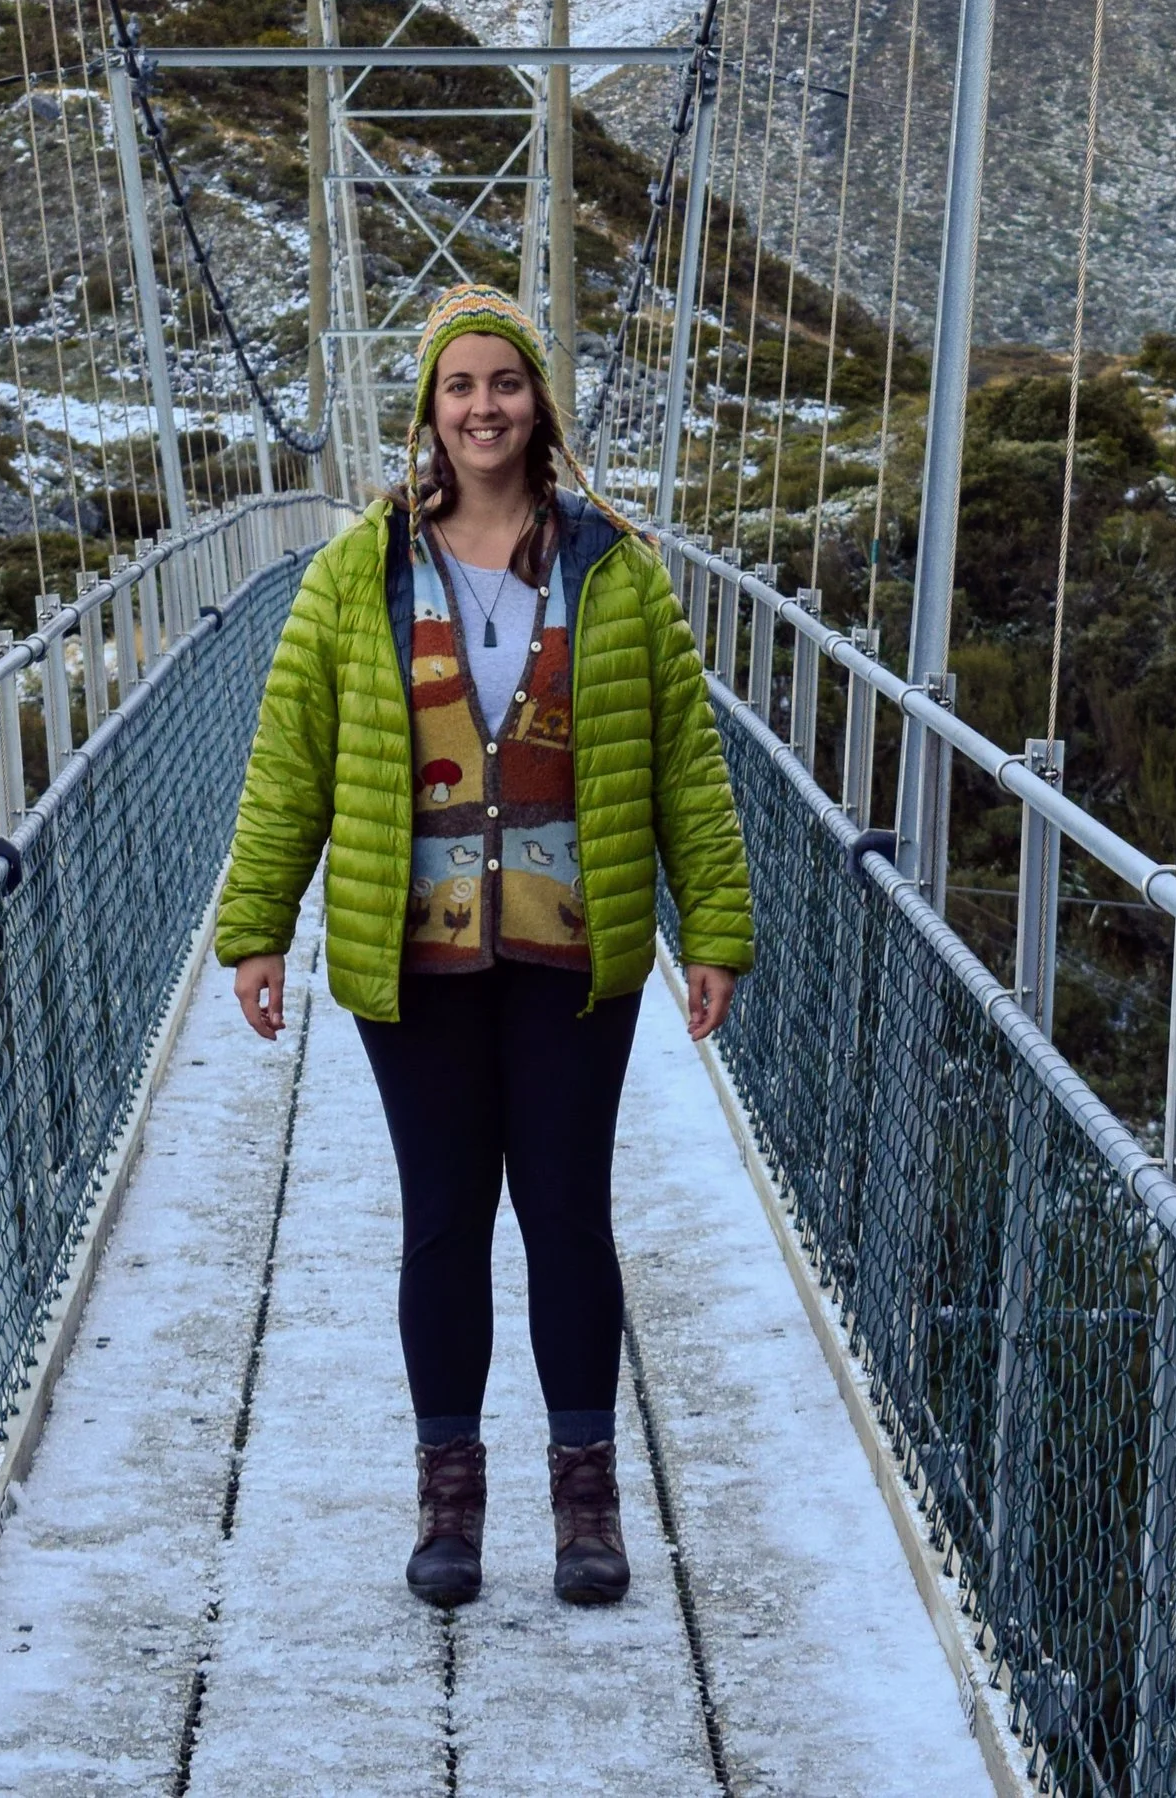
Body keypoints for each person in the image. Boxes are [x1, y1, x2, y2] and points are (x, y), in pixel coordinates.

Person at [215, 283, 753, 1612]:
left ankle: (588, 1508)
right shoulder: (359, 571)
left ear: (539, 402)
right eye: (458, 385)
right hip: (417, 955)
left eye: (504, 382)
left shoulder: (616, 566)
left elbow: (686, 761)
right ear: (427, 408)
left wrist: (717, 927)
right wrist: (256, 927)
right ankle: (450, 1506)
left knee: (568, 1216)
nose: (482, 407)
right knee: (445, 1221)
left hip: (578, 953)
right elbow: (293, 758)